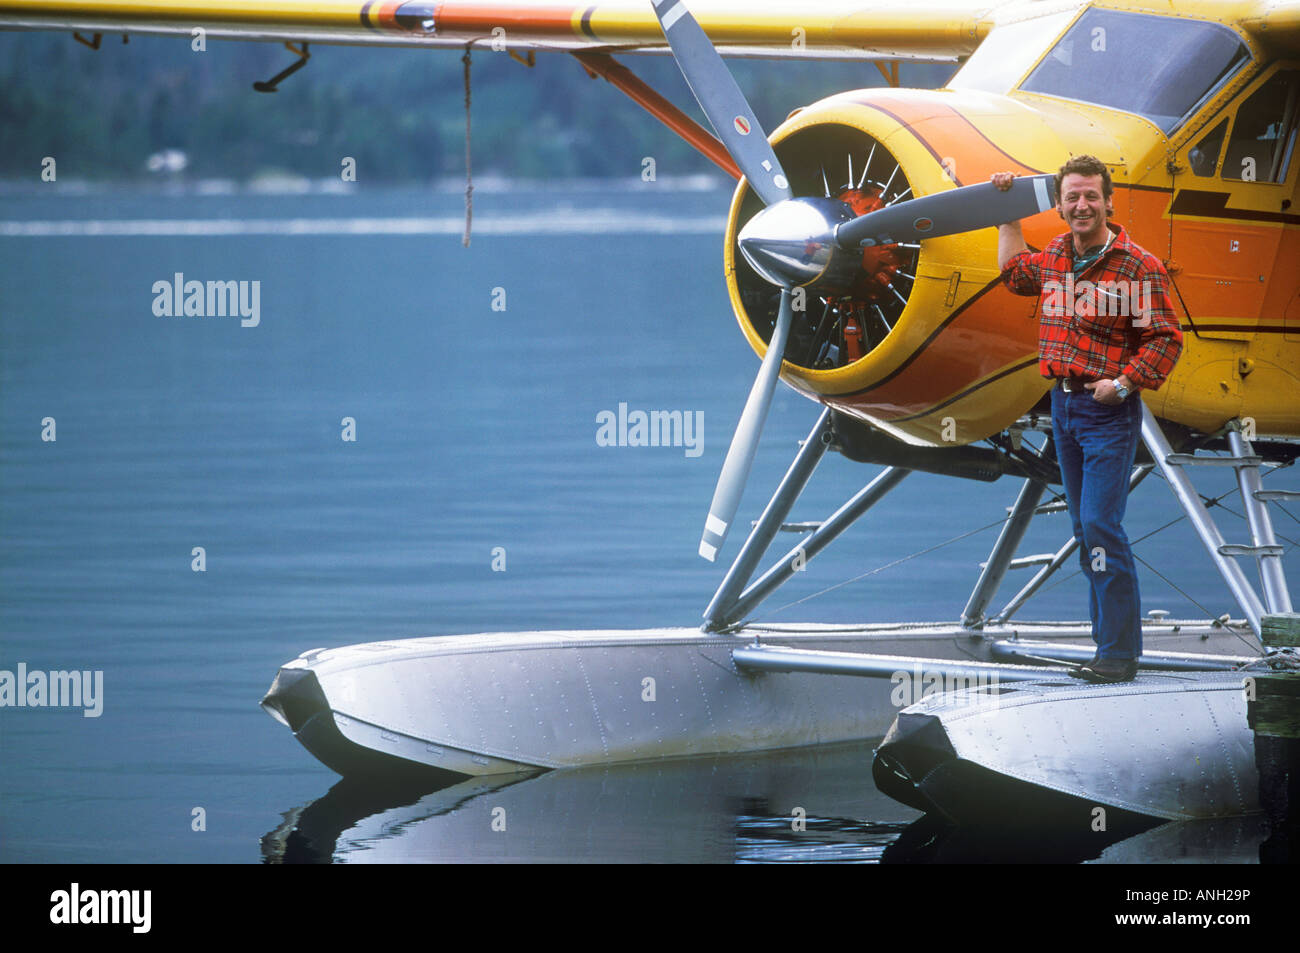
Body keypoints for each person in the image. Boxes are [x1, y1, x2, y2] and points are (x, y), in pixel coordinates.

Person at [992, 155, 1182, 683]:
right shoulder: (1053, 256)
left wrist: (1122, 384)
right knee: (1084, 527)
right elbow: (1012, 272)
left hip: (1107, 412)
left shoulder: (1136, 265)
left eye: (1091, 197)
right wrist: (1007, 210)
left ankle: (1118, 655)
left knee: (1101, 525)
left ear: (1108, 202)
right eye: (1072, 197)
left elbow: (1166, 340)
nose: (1082, 206)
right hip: (1063, 406)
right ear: (1059, 204)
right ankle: (1108, 647)